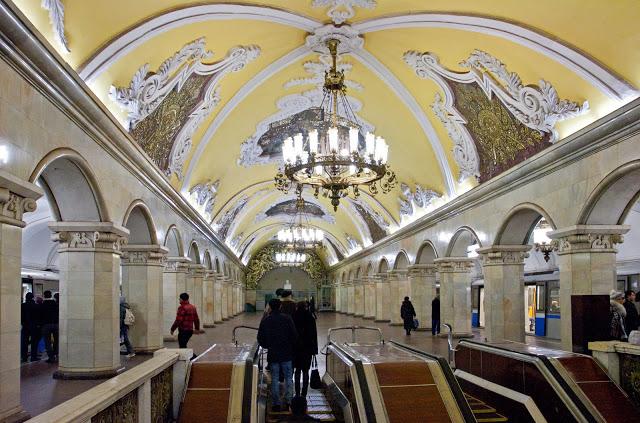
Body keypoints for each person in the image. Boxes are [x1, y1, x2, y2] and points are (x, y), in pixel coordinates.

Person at [257, 298, 298, 412]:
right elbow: (294, 335)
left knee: (274, 378)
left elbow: (260, 338)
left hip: (273, 354)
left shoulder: (267, 320)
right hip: (287, 353)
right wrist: (290, 346)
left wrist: (268, 345)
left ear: (270, 306)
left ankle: (276, 403)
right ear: (280, 306)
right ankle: (289, 400)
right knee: (289, 377)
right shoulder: (287, 318)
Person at [292, 301, 318, 399]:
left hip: (296, 348)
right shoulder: (310, 318)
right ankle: (304, 393)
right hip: (307, 348)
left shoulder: (293, 317)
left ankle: (297, 393)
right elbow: (314, 335)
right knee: (306, 371)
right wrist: (315, 350)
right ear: (306, 307)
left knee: (297, 370)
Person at [21, 292, 42, 362]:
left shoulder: (22, 305)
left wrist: (23, 323)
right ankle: (33, 357)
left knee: (24, 342)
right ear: (32, 297)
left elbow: (21, 316)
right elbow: (39, 317)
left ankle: (24, 357)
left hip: (25, 326)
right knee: (34, 342)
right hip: (34, 326)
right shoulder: (36, 306)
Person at [41, 290, 59, 363]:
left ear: (44, 295)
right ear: (51, 295)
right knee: (56, 341)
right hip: (55, 324)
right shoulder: (55, 304)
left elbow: (40, 316)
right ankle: (56, 354)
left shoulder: (42, 305)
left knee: (47, 342)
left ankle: (51, 358)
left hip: (46, 325)